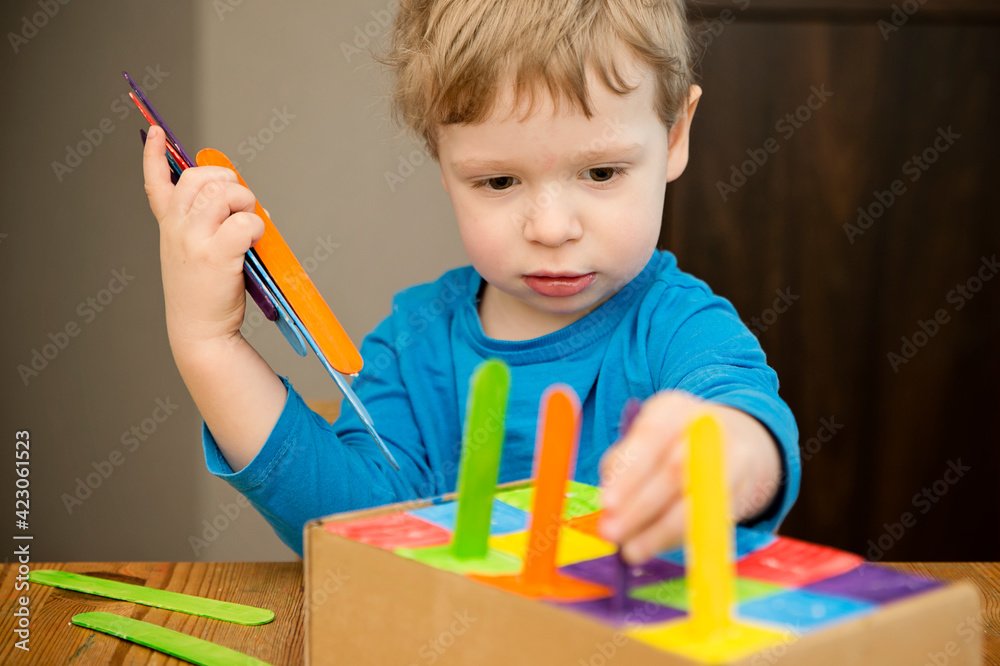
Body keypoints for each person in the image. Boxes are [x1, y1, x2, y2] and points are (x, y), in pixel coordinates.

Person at [141, 0, 800, 562]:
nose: (550, 227)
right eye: (499, 181)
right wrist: (209, 347)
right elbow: (351, 528)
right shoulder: (414, 345)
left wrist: (722, 459)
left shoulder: (679, 326)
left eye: (601, 173)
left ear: (676, 134)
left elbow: (750, 427)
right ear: (441, 158)